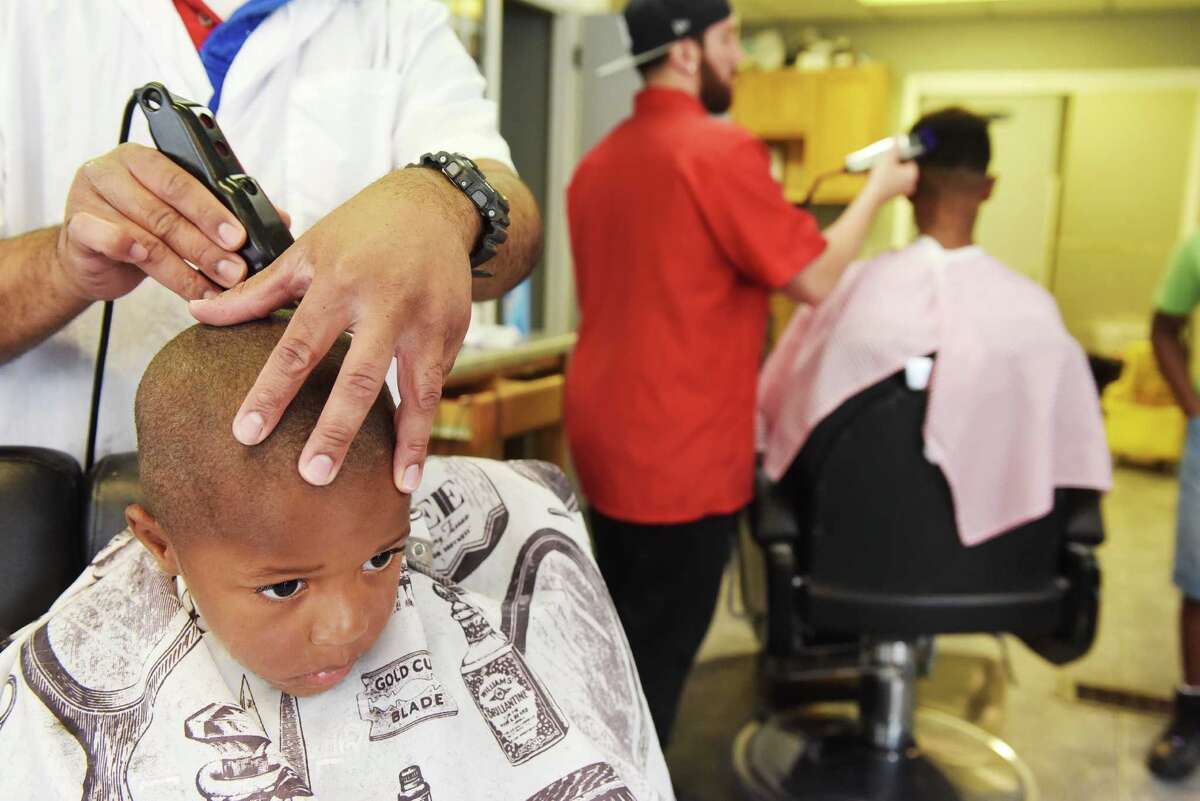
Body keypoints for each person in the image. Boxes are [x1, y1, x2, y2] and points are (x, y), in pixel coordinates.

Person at [0, 314, 672, 800]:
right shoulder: (64, 710)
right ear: (158, 544)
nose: (350, 624)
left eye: (383, 557)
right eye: (286, 585)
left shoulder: (461, 603)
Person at [0, 0, 541, 493]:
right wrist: (57, 267)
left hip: (328, 524)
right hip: (49, 534)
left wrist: (444, 202)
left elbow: (517, 214)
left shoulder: (394, 19)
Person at [563, 0, 916, 745]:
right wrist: (879, 190)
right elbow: (816, 276)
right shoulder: (716, 151)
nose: (740, 58)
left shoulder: (593, 166)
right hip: (677, 452)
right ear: (686, 53)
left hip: (604, 442)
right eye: (729, 41)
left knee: (616, 647)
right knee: (655, 667)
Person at [759, 107, 1111, 546]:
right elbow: (1074, 469)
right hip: (998, 572)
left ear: (908, 189)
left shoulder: (845, 292)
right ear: (988, 189)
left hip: (856, 552)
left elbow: (776, 419)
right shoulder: (1035, 313)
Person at [1147, 229, 1200, 780]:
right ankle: (1191, 716)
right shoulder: (1197, 248)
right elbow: (1164, 329)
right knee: (1199, 580)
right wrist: (1193, 408)